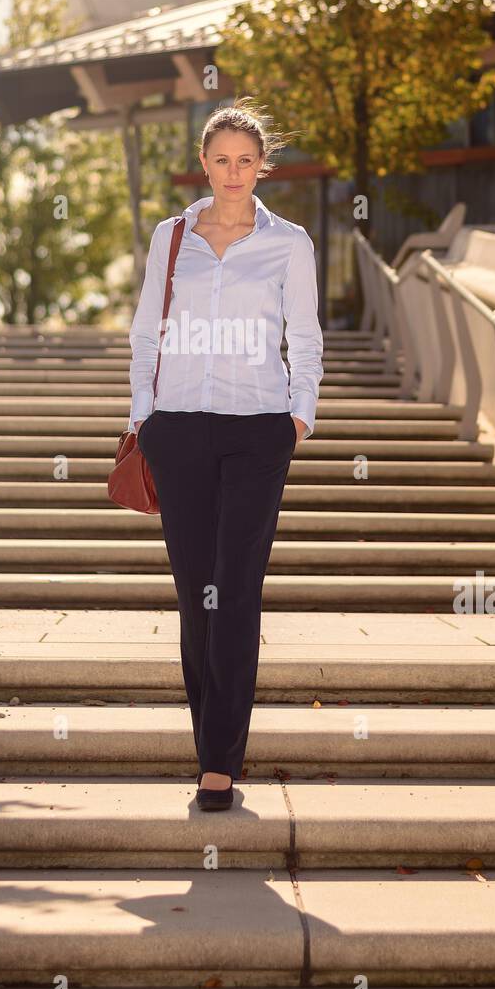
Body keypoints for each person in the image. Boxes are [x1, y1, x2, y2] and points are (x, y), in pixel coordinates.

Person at [128, 98, 324, 811]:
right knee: (194, 594)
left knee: (236, 589)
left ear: (262, 165)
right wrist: (143, 419)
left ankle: (219, 759)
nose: (233, 172)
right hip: (178, 428)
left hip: (255, 430)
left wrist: (298, 417)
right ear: (203, 164)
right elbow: (146, 329)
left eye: (246, 160)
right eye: (221, 159)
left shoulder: (288, 243)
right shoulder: (170, 237)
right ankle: (207, 736)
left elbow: (303, 335)